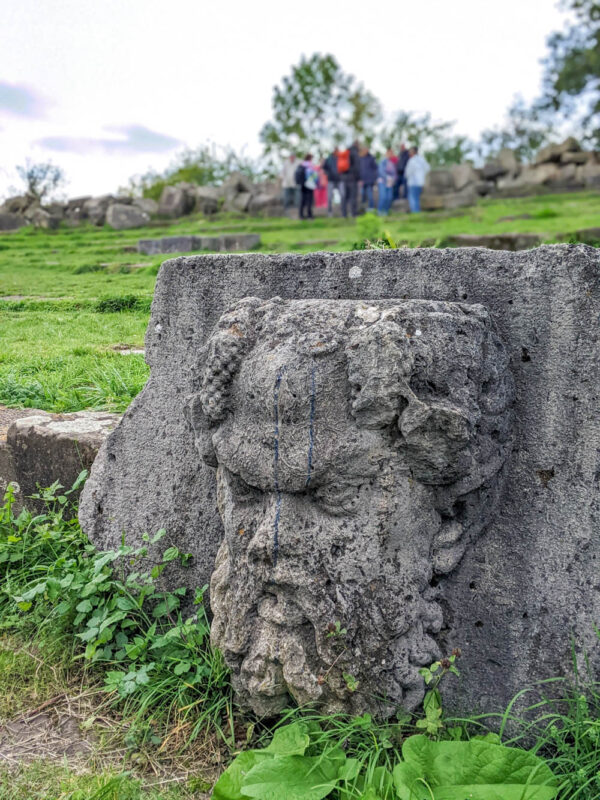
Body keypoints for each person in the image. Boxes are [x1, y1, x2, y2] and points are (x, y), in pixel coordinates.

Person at [405, 146, 430, 213]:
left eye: (410, 151)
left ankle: (415, 213)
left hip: (413, 182)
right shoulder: (422, 160)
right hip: (421, 183)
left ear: (413, 152)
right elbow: (428, 168)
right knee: (417, 198)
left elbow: (408, 172)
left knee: (413, 198)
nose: (409, 153)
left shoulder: (411, 160)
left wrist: (407, 177)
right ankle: (417, 212)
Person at [339, 140, 360, 217]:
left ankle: (344, 214)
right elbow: (357, 167)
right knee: (353, 196)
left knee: (345, 197)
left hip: (344, 178)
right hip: (352, 178)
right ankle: (353, 213)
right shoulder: (354, 153)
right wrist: (358, 178)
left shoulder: (346, 152)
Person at [297, 154, 317, 219]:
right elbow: (314, 176)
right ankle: (309, 215)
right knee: (309, 200)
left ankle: (301, 215)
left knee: (302, 200)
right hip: (309, 184)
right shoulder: (311, 165)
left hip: (302, 185)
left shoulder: (301, 165)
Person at [377, 149, 397, 215]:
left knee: (389, 197)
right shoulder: (382, 161)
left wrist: (393, 179)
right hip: (383, 181)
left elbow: (394, 173)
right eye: (389, 153)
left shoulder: (391, 163)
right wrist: (387, 178)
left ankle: (386, 212)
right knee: (383, 197)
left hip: (390, 182)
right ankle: (379, 212)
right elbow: (381, 171)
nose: (390, 155)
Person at [323, 149, 342, 216]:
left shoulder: (341, 158)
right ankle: (329, 211)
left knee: (342, 195)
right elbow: (324, 168)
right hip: (331, 180)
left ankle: (342, 210)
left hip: (340, 179)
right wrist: (328, 173)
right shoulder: (329, 159)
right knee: (330, 196)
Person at [359, 146, 378, 212]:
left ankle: (371, 209)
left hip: (370, 180)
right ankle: (363, 209)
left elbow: (375, 169)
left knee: (370, 195)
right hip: (362, 181)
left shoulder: (371, 158)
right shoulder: (360, 158)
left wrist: (374, 178)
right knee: (363, 195)